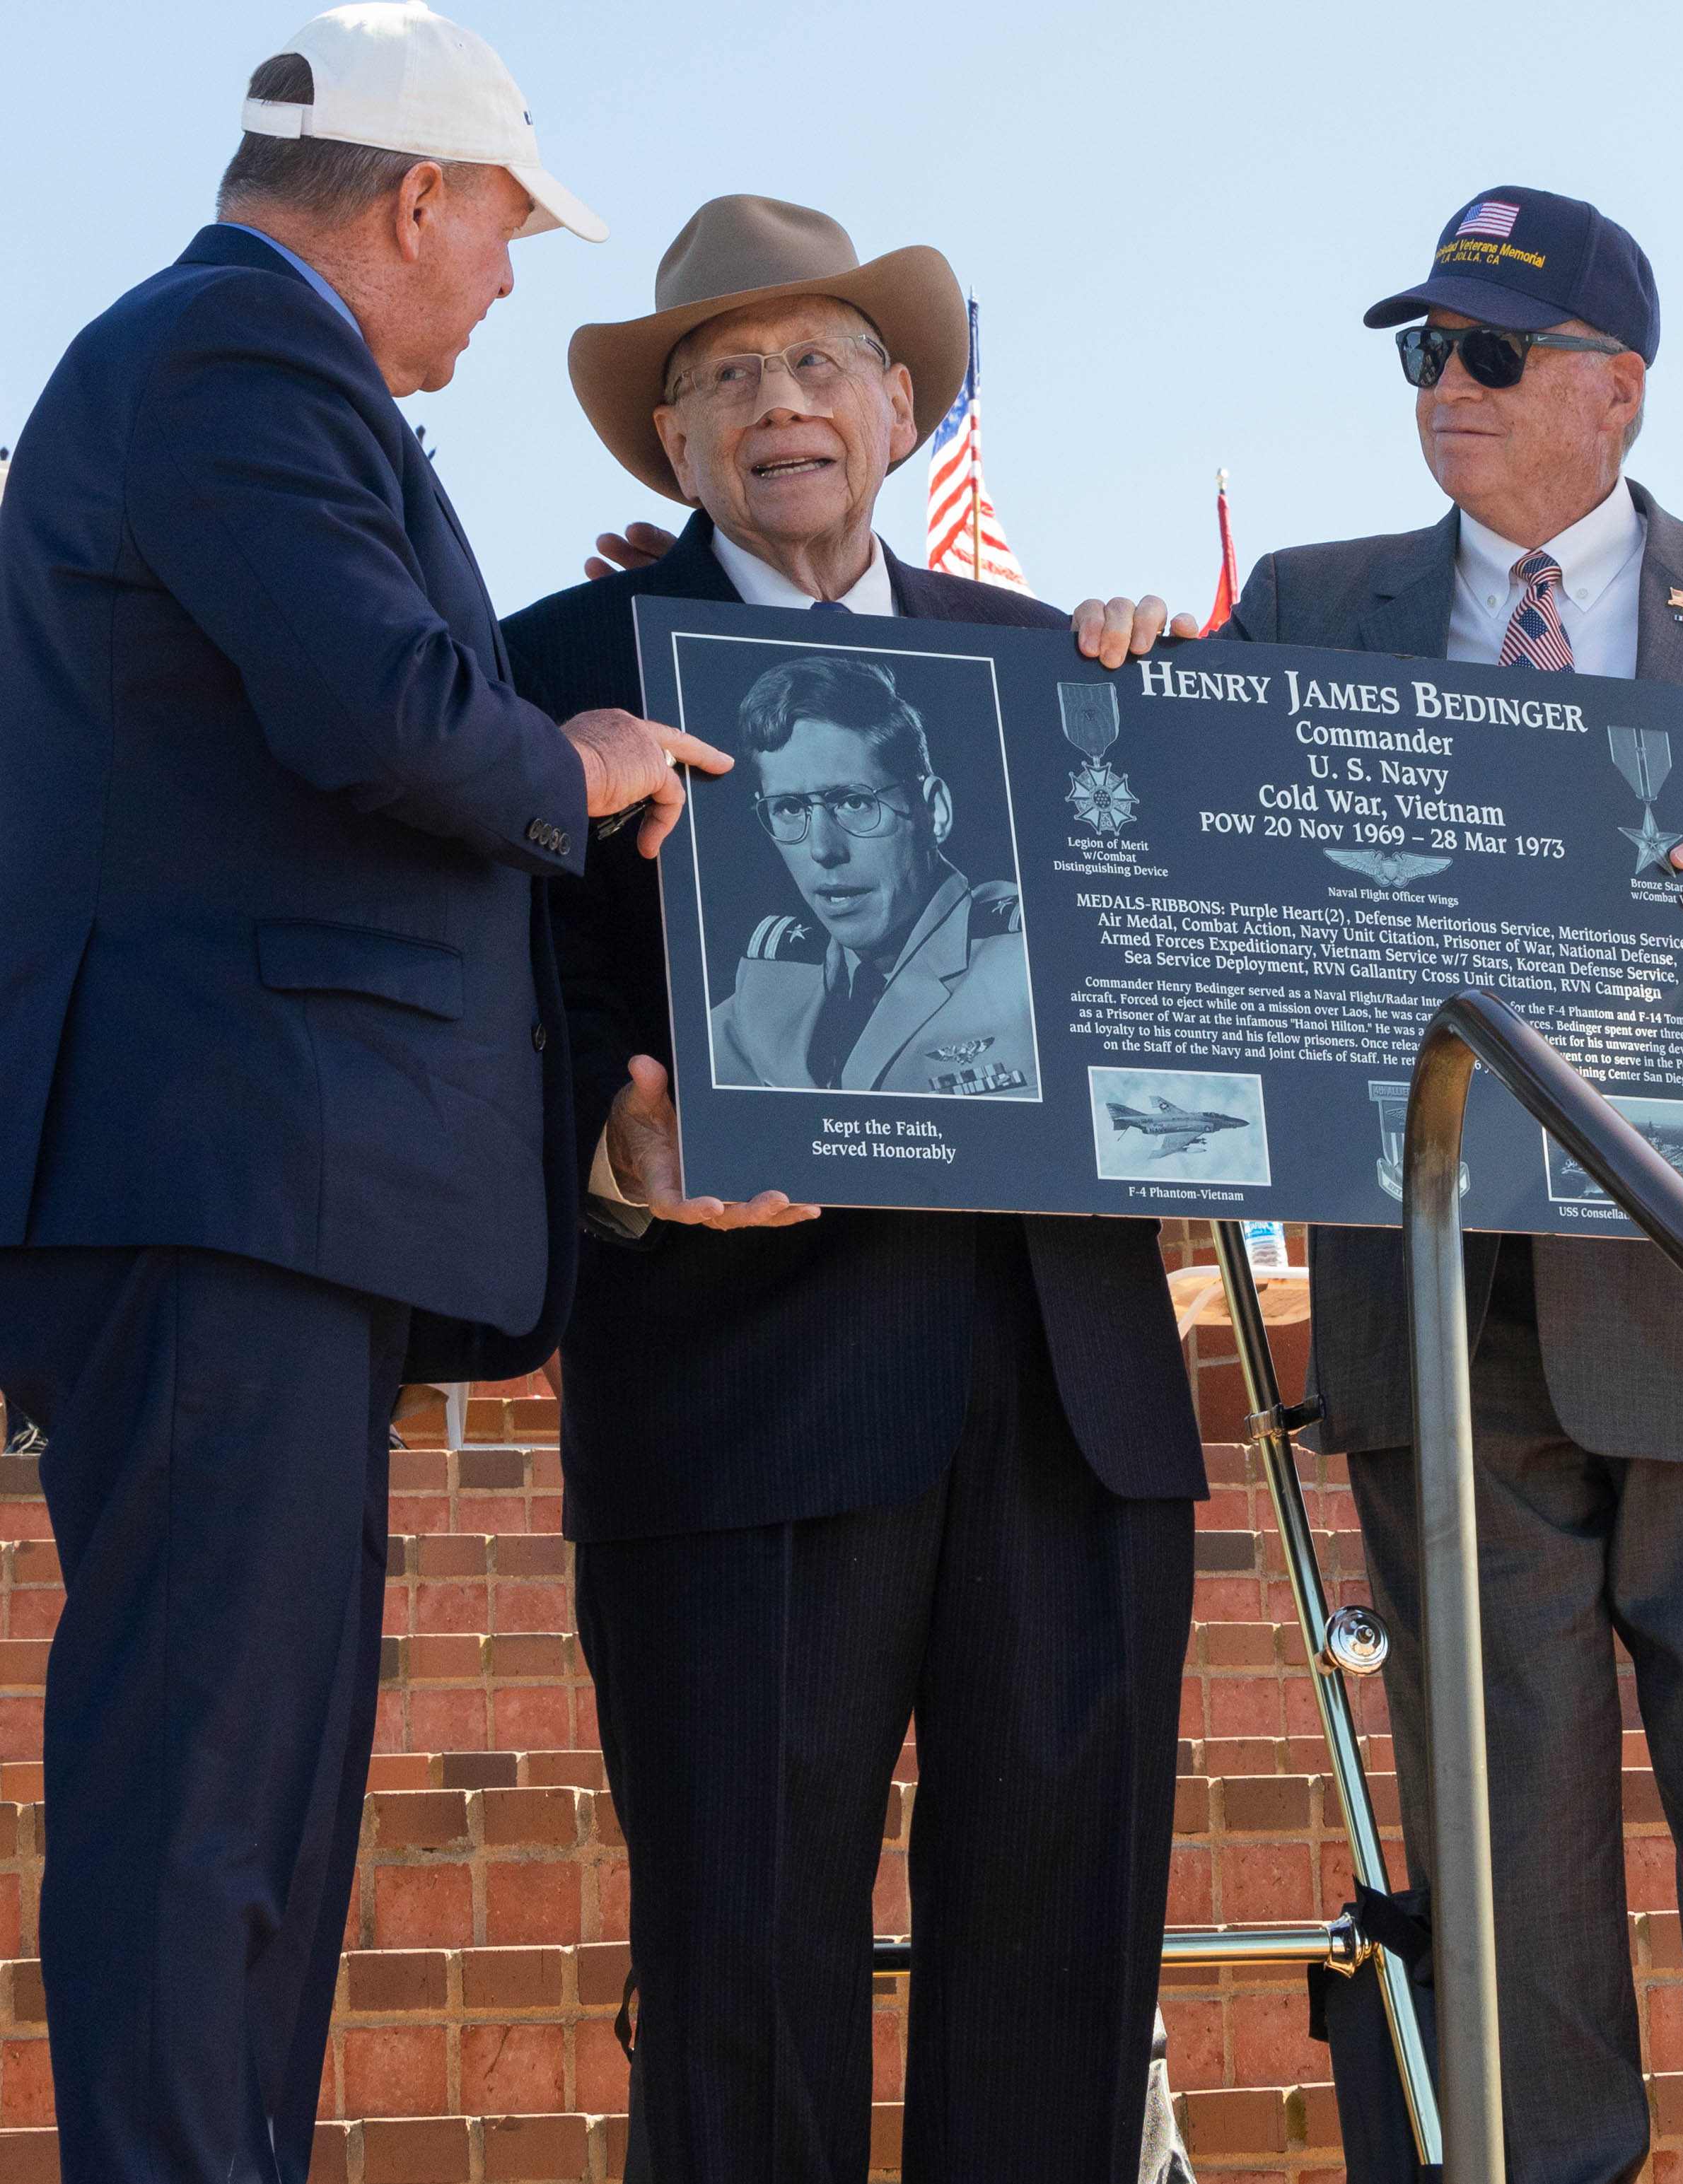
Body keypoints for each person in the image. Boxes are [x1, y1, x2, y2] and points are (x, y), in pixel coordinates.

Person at [1083, 186, 1683, 2184]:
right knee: (1501, 1843)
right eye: (1423, 351)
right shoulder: (1305, 604)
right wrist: (1124, 674)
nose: (1441, 389)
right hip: (1435, 1313)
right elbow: (1167, 844)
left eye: (1486, 352)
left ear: (1611, 389)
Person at [0, 8, 711, 2176]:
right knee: (205, 1799)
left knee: (266, 1809)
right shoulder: (242, 349)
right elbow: (380, 708)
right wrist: (574, 760)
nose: (505, 280)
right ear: (416, 198)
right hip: (217, 1185)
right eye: (503, 229)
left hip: (258, 1195)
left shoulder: (224, 361)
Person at [501, 194, 1204, 2184]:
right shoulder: (547, 673)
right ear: (673, 445)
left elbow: (1189, 980)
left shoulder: (1063, 666)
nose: (778, 403)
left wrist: (1185, 729)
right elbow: (500, 1000)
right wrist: (607, 1149)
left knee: (1061, 1979)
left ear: (902, 410)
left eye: (818, 361)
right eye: (725, 376)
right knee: (741, 1978)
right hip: (737, 1405)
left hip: (1069, 1404)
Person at [710, 653, 1038, 1094]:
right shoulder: (768, 986)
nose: (823, 849)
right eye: (789, 808)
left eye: (853, 802)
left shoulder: (1026, 965)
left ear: (933, 811)